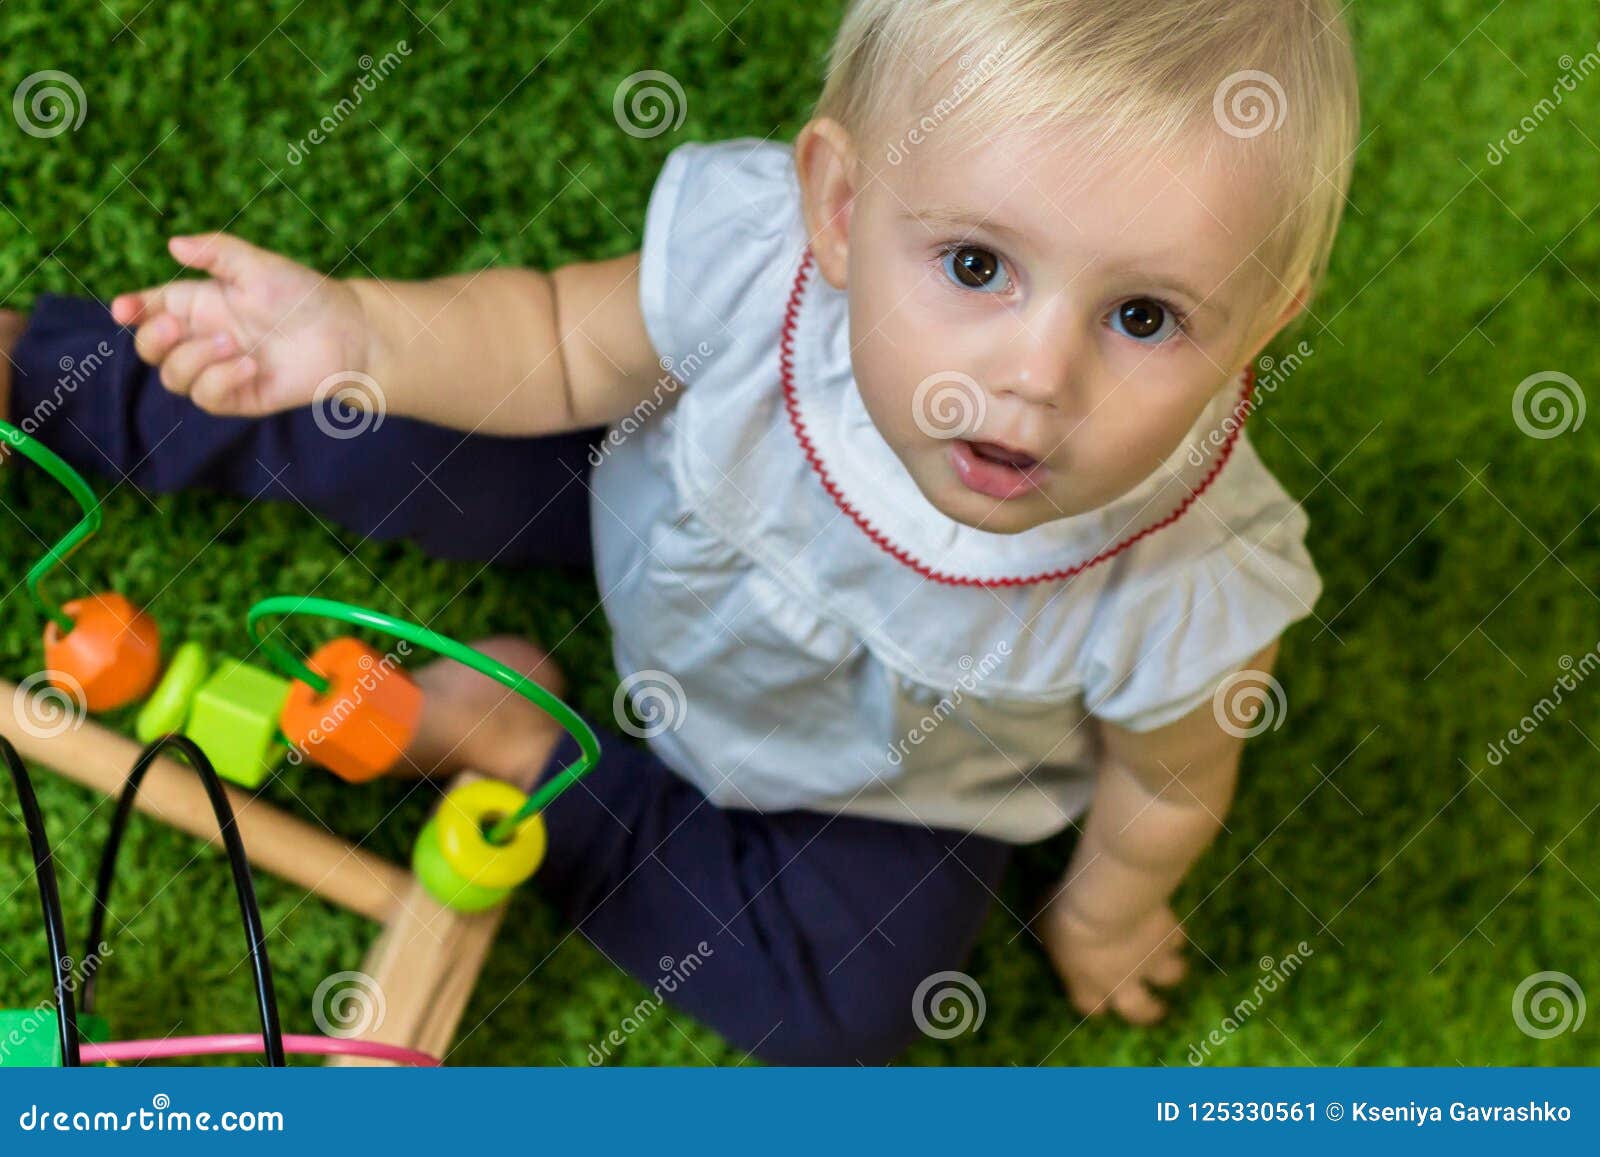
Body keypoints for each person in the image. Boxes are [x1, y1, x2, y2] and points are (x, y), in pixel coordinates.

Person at [0, 0, 1359, 1064]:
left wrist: (1107, 907)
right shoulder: (763, 270)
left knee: (849, 1002)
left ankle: (510, 742)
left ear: (1265, 321)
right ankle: (41, 376)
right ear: (838, 207)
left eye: (1144, 317)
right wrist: (359, 331)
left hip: (867, 770)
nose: (1034, 377)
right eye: (973, 265)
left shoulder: (1190, 577)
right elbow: (547, 335)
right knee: (388, 410)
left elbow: (1169, 781)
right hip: (647, 506)